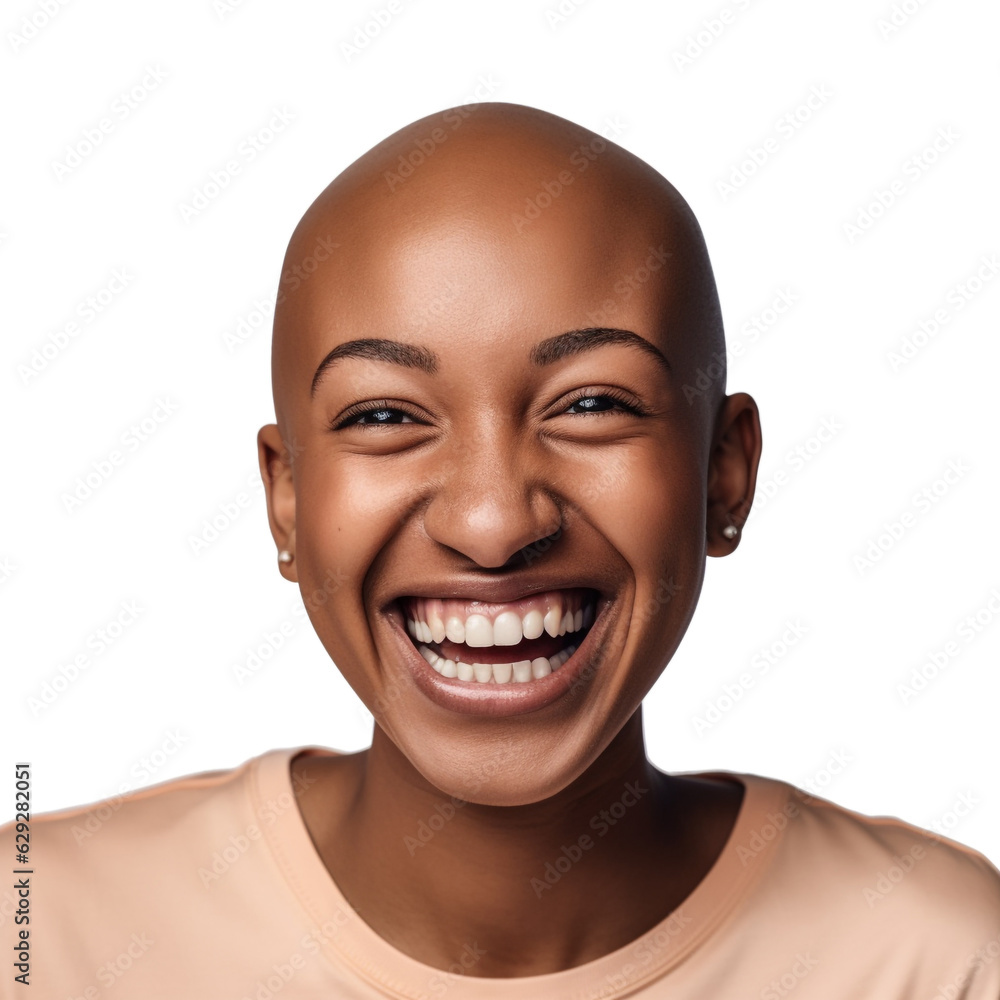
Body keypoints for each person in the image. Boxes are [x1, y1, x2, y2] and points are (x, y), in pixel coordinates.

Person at [3, 102, 999, 999]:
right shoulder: (39, 932)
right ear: (287, 499)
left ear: (721, 476)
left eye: (593, 404)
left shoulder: (940, 961)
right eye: (385, 415)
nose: (493, 524)